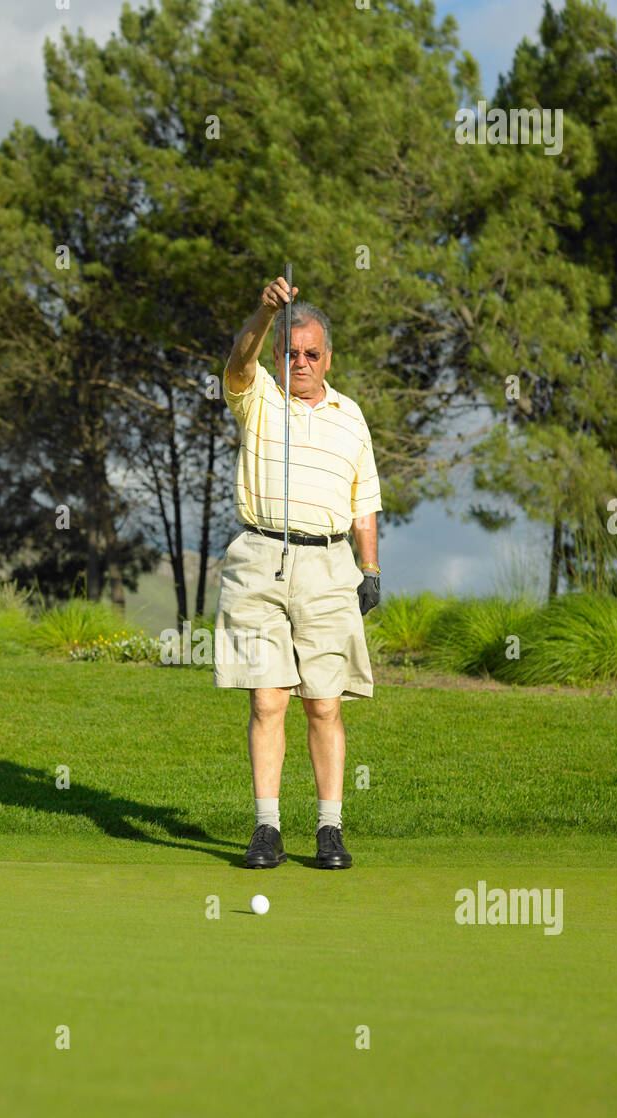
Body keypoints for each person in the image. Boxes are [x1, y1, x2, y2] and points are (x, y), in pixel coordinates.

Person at [213, 275, 382, 870]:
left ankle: (329, 830)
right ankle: (266, 828)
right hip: (260, 559)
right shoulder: (256, 393)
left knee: (325, 704)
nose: (302, 363)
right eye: (292, 352)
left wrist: (371, 568)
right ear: (278, 354)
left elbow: (365, 502)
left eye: (313, 354)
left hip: (331, 566)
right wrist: (263, 314)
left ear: (328, 357)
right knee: (267, 700)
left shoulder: (351, 417)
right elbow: (238, 358)